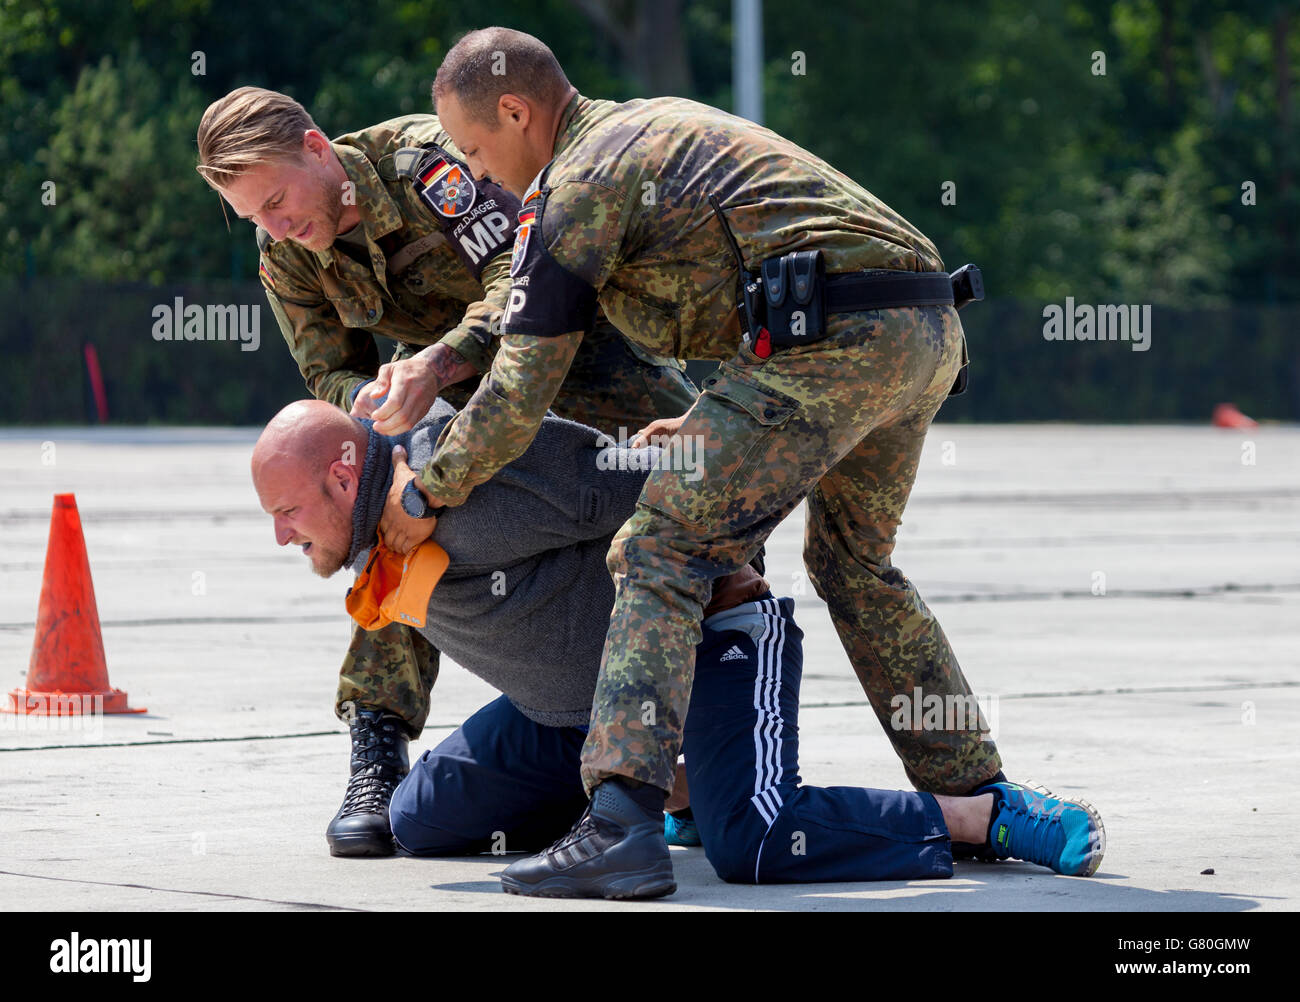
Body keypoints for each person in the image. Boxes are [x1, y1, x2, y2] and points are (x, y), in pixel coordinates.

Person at [378, 26, 1108, 897]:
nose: (482, 173)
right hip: (922, 327)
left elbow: (519, 390)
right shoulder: (655, 124)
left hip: (837, 346)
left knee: (658, 548)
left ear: (516, 109)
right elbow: (774, 261)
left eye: (475, 148)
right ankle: (977, 795)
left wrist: (426, 490)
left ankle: (619, 823)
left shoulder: (576, 184)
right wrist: (707, 415)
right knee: (855, 567)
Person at [250, 398, 1106, 895]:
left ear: (344, 474)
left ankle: (981, 817)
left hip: (711, 645)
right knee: (419, 821)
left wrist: (722, 565)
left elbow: (652, 479)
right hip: (571, 718)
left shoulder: (469, 479)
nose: (282, 538)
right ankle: (671, 793)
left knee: (755, 844)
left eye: (285, 511)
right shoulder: (382, 534)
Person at [195, 86, 698, 856]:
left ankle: (695, 760)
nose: (275, 226)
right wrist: (368, 410)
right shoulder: (285, 255)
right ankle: (377, 744)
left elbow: (524, 278)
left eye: (277, 199)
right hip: (449, 411)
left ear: (318, 149)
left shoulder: (430, 167)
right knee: (387, 536)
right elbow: (329, 380)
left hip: (588, 374)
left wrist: (437, 361)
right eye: (253, 216)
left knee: (684, 534)